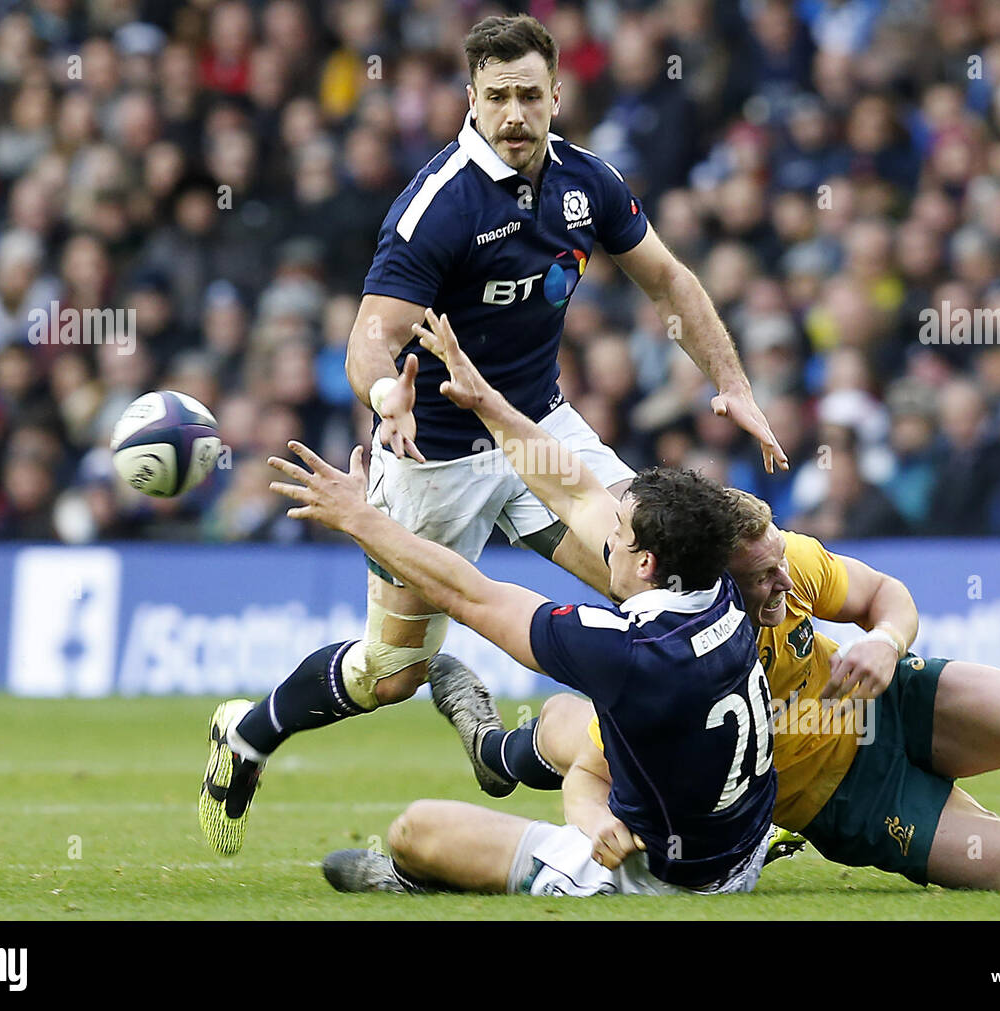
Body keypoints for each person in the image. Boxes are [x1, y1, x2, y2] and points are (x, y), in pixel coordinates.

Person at [199, 13, 786, 855]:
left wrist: (731, 382)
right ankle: (249, 731)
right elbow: (372, 328)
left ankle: (711, 810)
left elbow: (668, 279)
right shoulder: (438, 206)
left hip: (540, 432)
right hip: (432, 455)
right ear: (471, 99)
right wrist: (383, 394)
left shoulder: (587, 184)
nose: (515, 113)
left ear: (558, 95)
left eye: (530, 95)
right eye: (498, 96)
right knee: (390, 674)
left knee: (665, 587)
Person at [411, 307, 1000, 892]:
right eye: (763, 578)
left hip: (886, 703)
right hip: (845, 798)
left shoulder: (782, 557)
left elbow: (885, 593)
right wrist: (595, 822)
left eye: (779, 563)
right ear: (710, 576)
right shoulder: (679, 649)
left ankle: (497, 748)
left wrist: (886, 642)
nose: (785, 585)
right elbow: (597, 772)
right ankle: (497, 751)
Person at [263, 434, 775, 897]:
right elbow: (584, 497)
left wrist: (359, 518)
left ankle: (417, 880)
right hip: (739, 841)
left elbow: (469, 596)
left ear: (647, 564)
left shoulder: (630, 653)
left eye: (619, 532)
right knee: (559, 717)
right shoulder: (716, 587)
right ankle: (493, 753)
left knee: (416, 830)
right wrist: (487, 402)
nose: (608, 541)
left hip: (664, 876)